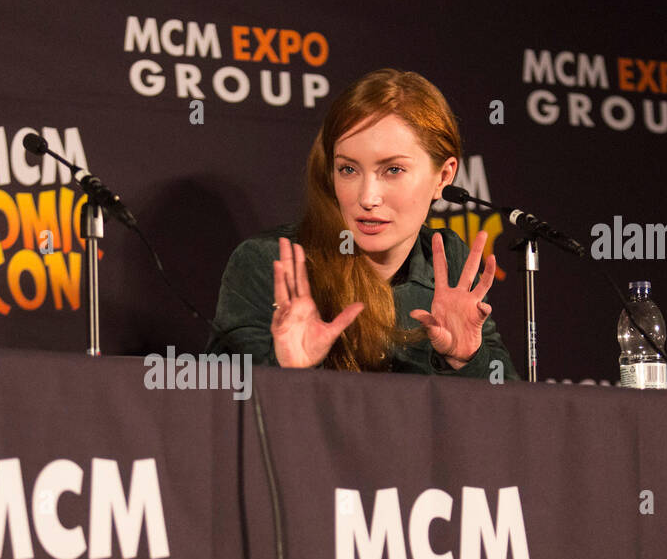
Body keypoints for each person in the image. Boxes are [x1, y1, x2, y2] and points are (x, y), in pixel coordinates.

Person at [208, 69, 516, 378]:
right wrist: (288, 373)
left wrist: (466, 361)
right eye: (348, 170)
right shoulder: (270, 263)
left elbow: (518, 417)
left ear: (444, 177)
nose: (368, 197)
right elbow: (217, 406)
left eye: (393, 170)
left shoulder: (450, 263)